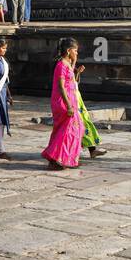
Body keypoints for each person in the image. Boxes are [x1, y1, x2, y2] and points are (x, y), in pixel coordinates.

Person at [43, 37, 84, 170]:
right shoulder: (61, 65)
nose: (77, 53)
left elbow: (72, 80)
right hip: (63, 102)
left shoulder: (67, 64)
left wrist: (76, 66)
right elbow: (61, 87)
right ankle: (55, 158)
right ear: (68, 51)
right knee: (67, 130)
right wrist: (68, 105)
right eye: (75, 51)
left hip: (70, 100)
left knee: (76, 128)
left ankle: (67, 158)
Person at [73, 61, 109, 158]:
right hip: (71, 100)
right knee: (75, 126)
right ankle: (72, 152)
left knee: (85, 123)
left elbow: (74, 82)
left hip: (77, 99)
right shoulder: (63, 65)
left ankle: (92, 150)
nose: (76, 54)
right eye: (75, 51)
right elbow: (65, 85)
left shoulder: (70, 64)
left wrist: (77, 72)